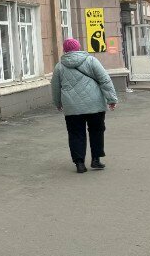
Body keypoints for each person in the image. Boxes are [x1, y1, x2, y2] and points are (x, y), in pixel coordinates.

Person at [51, 38, 119, 173]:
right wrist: (111, 99)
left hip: (72, 107)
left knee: (76, 134)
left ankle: (79, 163)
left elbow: (55, 87)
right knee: (96, 131)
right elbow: (104, 80)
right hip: (95, 104)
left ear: (65, 50)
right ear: (79, 48)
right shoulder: (91, 60)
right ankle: (96, 160)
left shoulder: (59, 66)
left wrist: (58, 103)